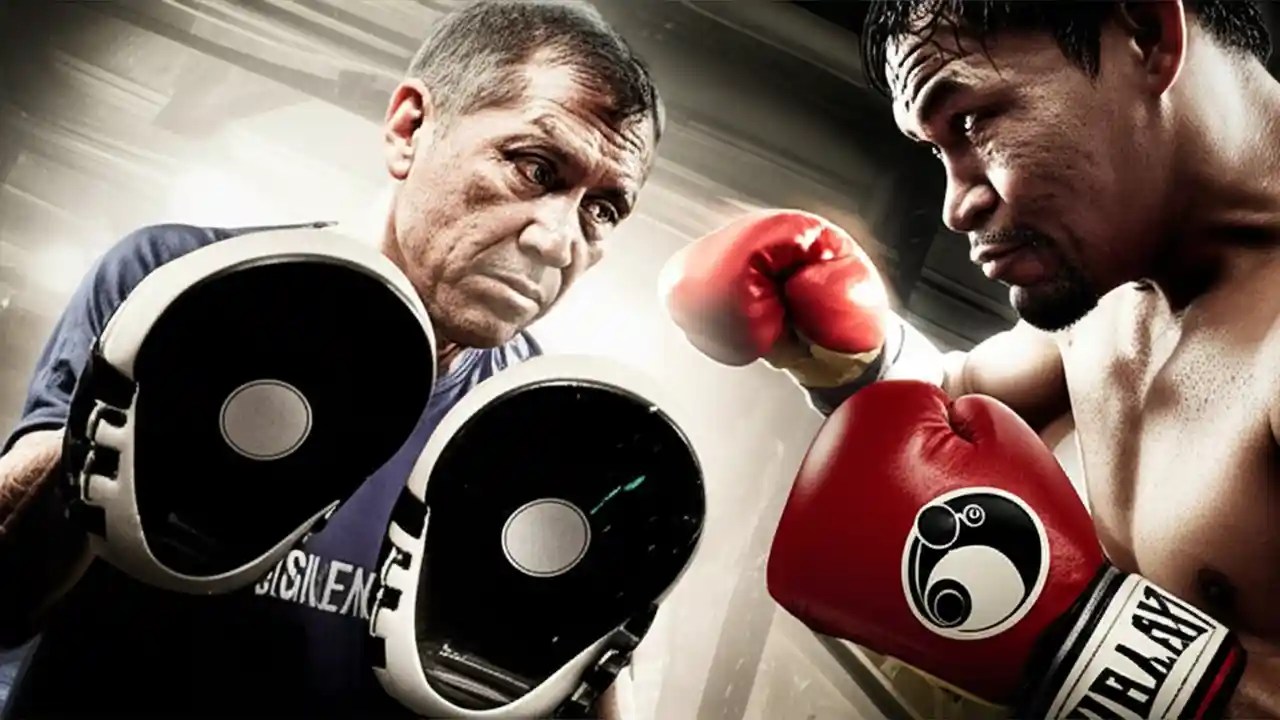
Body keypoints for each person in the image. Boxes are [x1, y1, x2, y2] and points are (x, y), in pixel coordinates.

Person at [0, 0, 662, 716]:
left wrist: (593, 639)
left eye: (603, 210)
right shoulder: (180, 277)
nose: (559, 240)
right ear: (410, 128)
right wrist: (144, 410)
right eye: (535, 168)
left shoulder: (548, 428)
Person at [661, 0, 1280, 717]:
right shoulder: (1113, 285)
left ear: (1145, 34)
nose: (955, 204)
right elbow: (939, 432)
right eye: (934, 149)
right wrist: (848, 348)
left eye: (971, 121)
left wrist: (1088, 649)